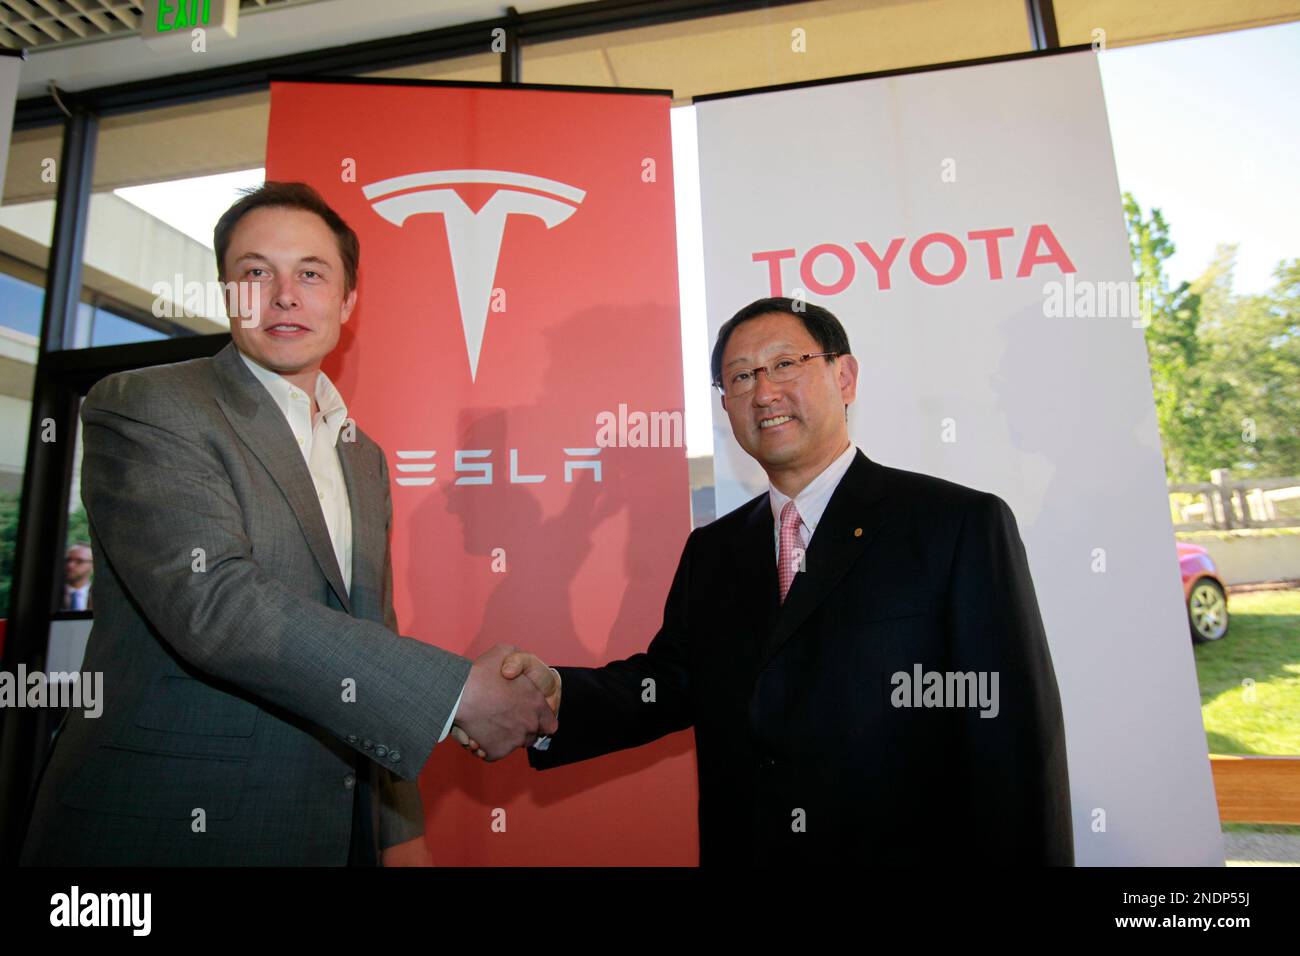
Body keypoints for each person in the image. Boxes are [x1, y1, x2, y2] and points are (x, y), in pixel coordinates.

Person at [21, 182, 555, 867]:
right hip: (163, 828)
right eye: (255, 273)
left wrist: (400, 830)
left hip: (325, 826)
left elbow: (369, 636)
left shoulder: (364, 458)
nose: (283, 295)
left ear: (347, 300)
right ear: (227, 292)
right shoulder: (149, 404)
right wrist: (458, 694)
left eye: (310, 273)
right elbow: (216, 606)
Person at [472, 297, 1073, 865]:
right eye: (740, 377)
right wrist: (554, 698)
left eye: (785, 364)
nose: (763, 391)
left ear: (845, 377)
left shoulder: (956, 525)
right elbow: (668, 684)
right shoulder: (713, 551)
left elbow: (1012, 746)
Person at [60, 543, 93, 611]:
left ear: (93, 566)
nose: (70, 565)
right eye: (68, 560)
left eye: (79, 561)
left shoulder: (100, 596)